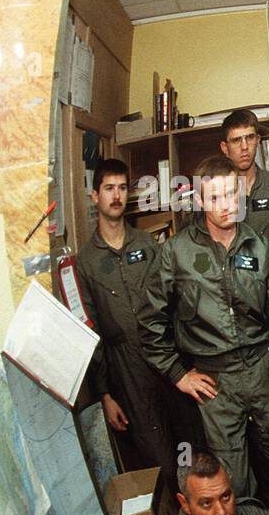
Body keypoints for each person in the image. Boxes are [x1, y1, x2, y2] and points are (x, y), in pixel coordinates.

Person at [139, 155, 269, 515]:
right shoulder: (176, 253)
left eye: (232, 193)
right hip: (216, 379)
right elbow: (149, 322)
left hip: (263, 368)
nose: (226, 205)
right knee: (231, 465)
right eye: (214, 198)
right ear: (199, 201)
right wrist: (178, 374)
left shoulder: (262, 248)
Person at [75, 158, 199, 488]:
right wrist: (105, 395)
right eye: (108, 189)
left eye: (121, 188)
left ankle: (198, 509)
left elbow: (173, 303)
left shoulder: (147, 245)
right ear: (94, 196)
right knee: (157, 455)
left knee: (188, 443)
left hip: (166, 358)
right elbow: (91, 332)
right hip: (125, 371)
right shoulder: (85, 263)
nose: (116, 196)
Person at [219, 109, 269, 246]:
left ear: (258, 140)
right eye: (236, 140)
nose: (244, 147)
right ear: (225, 147)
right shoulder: (216, 192)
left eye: (250, 138)